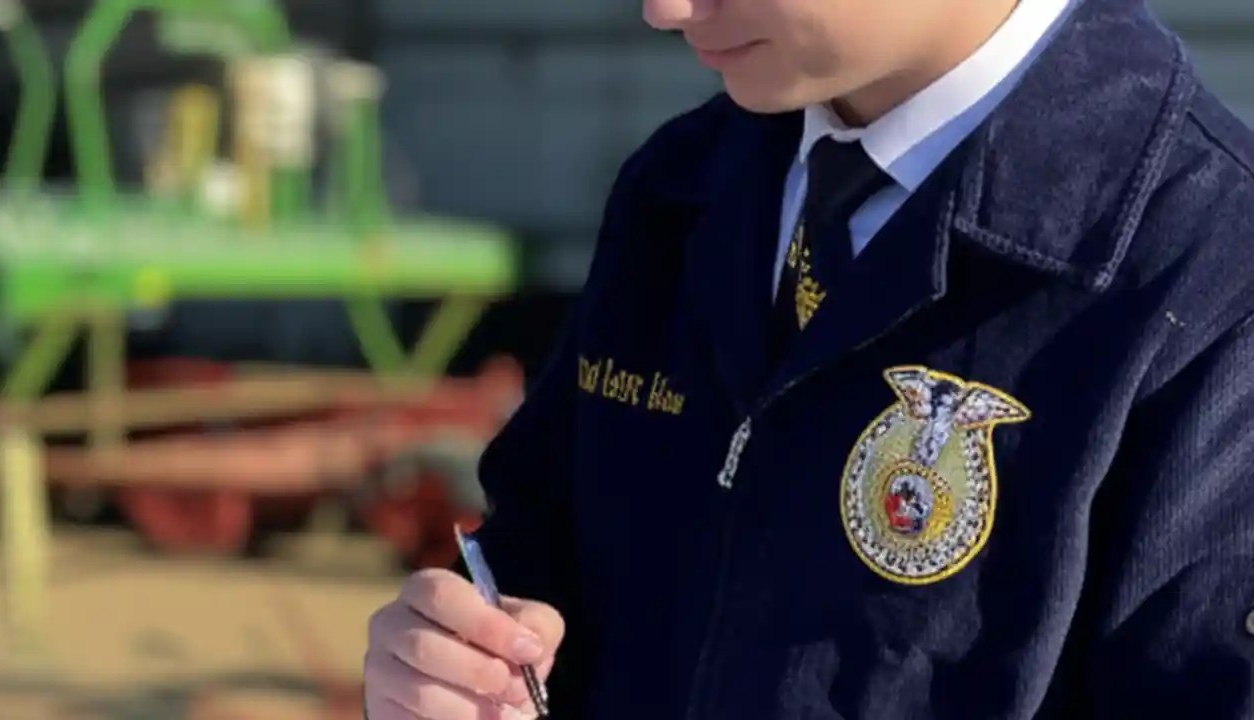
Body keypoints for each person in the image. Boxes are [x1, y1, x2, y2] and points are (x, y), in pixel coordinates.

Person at [363, 0, 1254, 716]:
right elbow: (537, 567)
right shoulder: (681, 186)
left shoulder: (1211, 274)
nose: (664, 10)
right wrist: (446, 671)